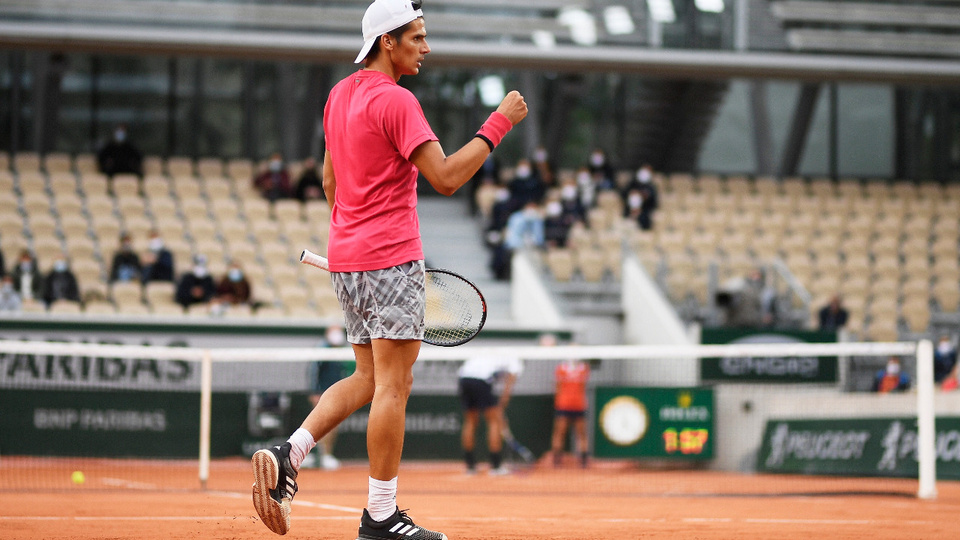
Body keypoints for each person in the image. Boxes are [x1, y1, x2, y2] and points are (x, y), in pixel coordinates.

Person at [249, 2, 526, 539]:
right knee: (393, 388)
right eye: (417, 38)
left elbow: (331, 185)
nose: (425, 47)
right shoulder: (397, 101)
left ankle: (290, 452)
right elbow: (446, 178)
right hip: (390, 257)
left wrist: (354, 234)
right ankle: (380, 515)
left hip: (348, 259)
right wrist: (499, 124)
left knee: (368, 377)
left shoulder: (338, 96)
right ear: (387, 42)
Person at [457, 351, 523, 475]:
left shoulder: (491, 354)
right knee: (494, 422)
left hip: (464, 379)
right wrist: (503, 403)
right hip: (481, 381)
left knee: (470, 421)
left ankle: (470, 466)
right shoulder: (515, 361)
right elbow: (510, 381)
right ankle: (496, 466)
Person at [304, 325, 353, 470]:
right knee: (316, 424)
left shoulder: (344, 351)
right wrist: (314, 392)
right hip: (320, 393)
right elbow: (313, 372)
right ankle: (308, 454)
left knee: (332, 425)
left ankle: (326, 455)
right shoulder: (321, 349)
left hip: (337, 394)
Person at [550, 349, 590, 468]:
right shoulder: (561, 368)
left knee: (581, 433)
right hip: (563, 405)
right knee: (560, 432)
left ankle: (583, 461)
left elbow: (583, 386)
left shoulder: (584, 369)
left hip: (579, 405)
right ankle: (556, 460)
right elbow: (557, 387)